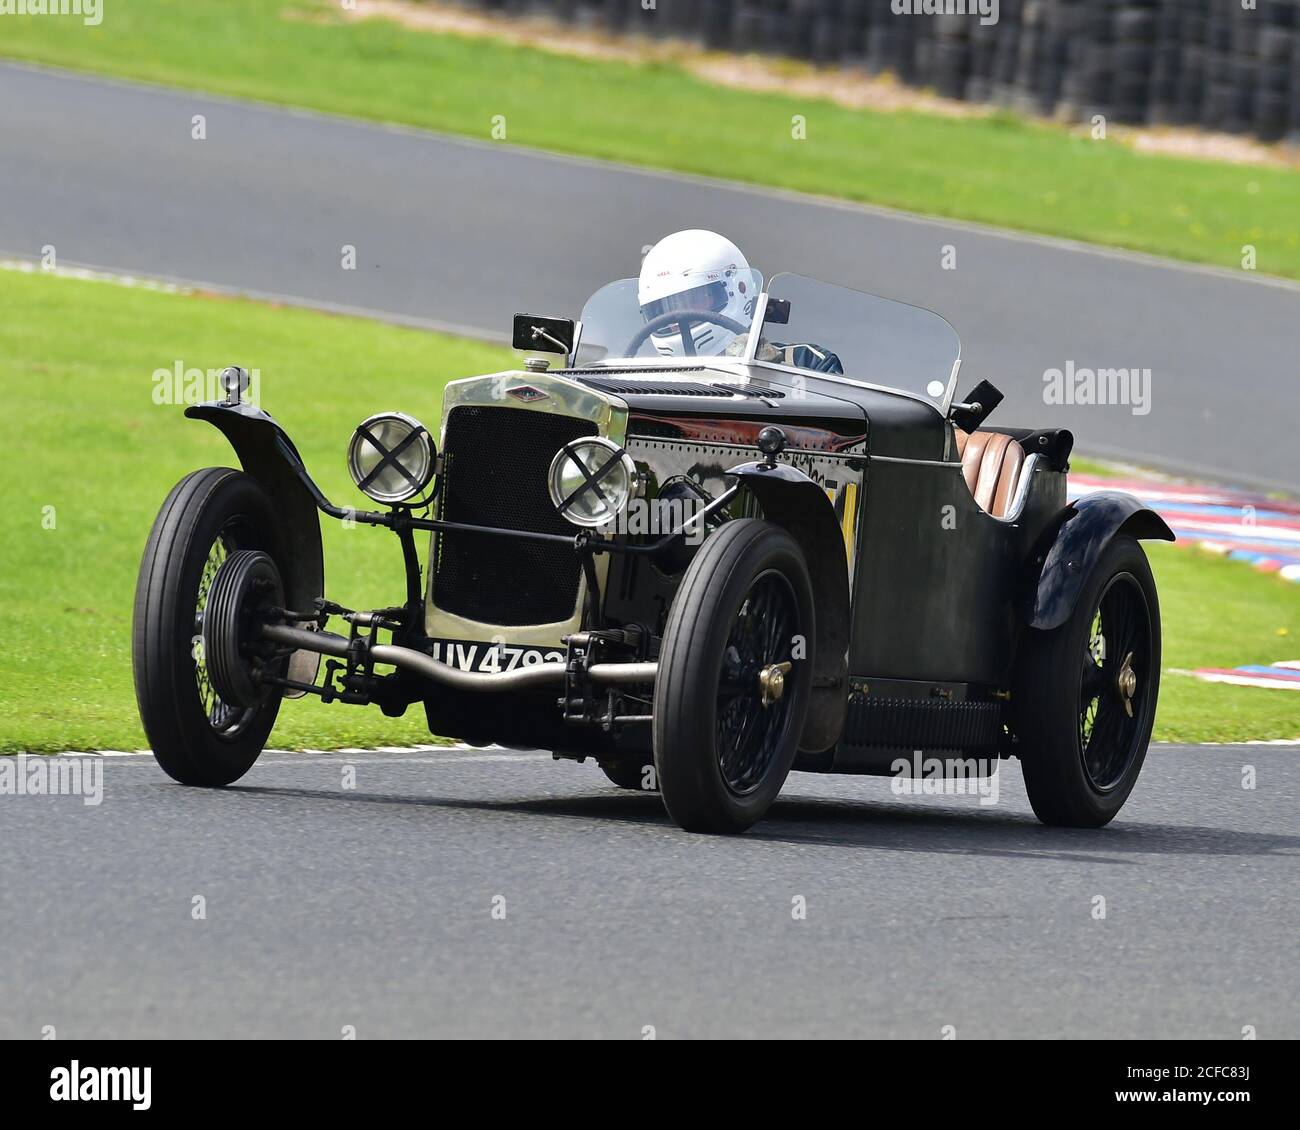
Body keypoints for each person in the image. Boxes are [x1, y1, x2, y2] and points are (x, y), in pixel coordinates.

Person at [637, 229, 842, 373]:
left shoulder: (805, 363)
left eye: (691, 301)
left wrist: (772, 377)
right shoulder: (637, 382)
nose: (674, 321)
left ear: (739, 289)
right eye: (660, 311)